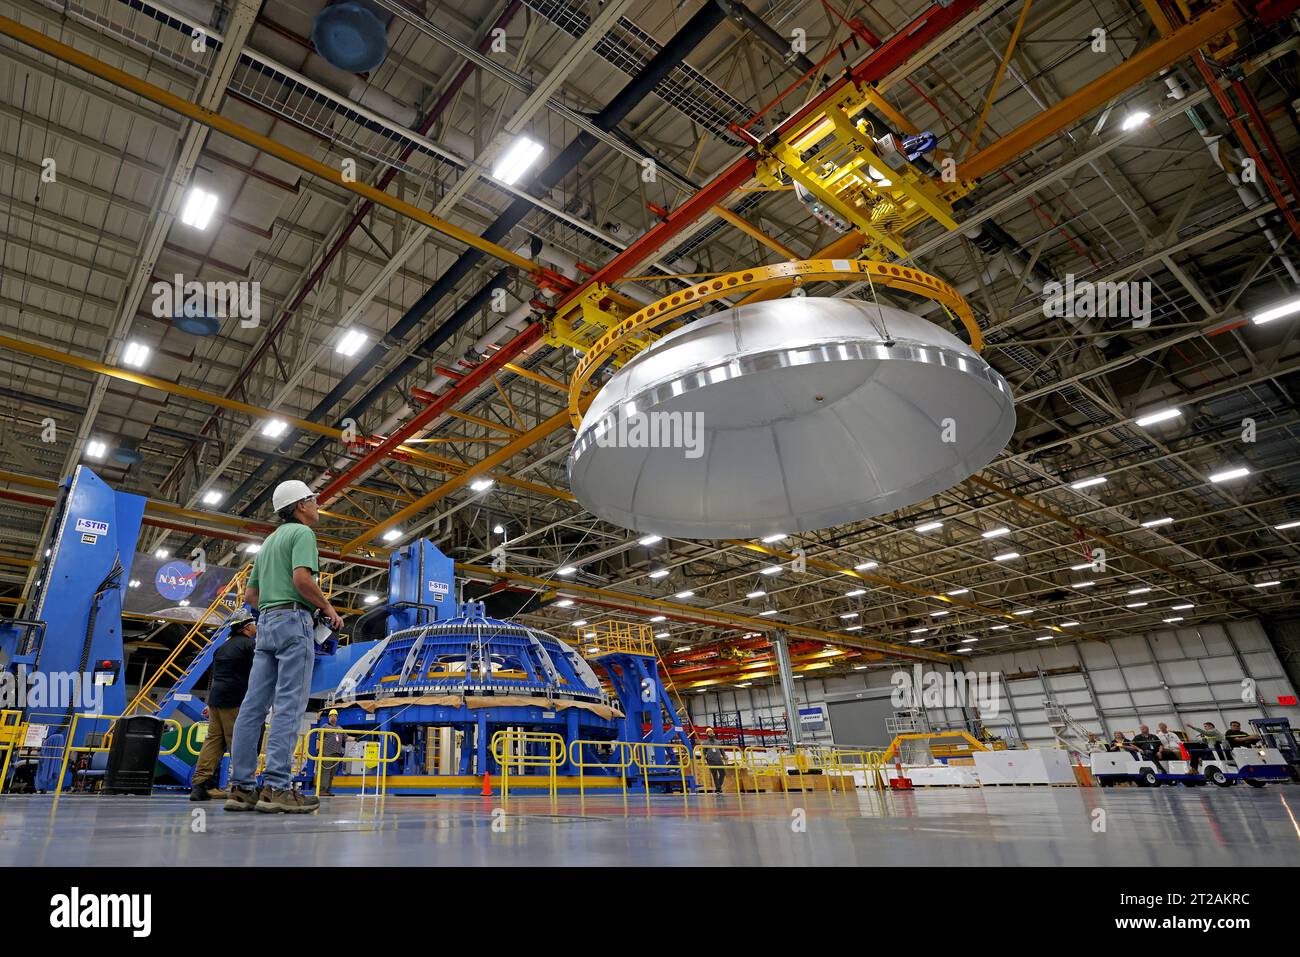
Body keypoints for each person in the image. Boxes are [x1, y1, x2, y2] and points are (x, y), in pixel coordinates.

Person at [224, 480, 344, 815]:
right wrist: (328, 609)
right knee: (289, 704)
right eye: (313, 498)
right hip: (294, 623)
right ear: (300, 506)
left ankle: (242, 787)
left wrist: (273, 610)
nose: (317, 503)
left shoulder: (267, 544)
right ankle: (277, 786)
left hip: (266, 625)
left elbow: (250, 597)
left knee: (253, 707)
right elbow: (303, 580)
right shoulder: (302, 534)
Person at [190, 608, 257, 801]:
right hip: (235, 701)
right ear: (246, 627)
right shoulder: (250, 645)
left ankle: (201, 785)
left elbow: (218, 677)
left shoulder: (222, 647)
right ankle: (242, 787)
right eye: (253, 623)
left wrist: (211, 702)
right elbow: (256, 675)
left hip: (216, 701)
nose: (255, 626)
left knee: (213, 741)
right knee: (239, 742)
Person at [318, 710, 350, 796]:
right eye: (331, 716)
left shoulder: (340, 729)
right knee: (325, 772)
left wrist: (356, 739)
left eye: (335, 716)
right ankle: (322, 790)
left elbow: (346, 738)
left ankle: (328, 790)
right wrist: (318, 751)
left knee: (332, 773)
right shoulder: (324, 727)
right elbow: (318, 739)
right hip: (326, 753)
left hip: (336, 754)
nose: (333, 717)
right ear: (328, 717)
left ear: (337, 718)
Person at [701, 728, 728, 793]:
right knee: (714, 774)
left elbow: (722, 751)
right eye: (709, 732)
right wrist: (703, 761)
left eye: (712, 732)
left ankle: (718, 787)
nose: (711, 733)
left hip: (719, 760)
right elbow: (704, 753)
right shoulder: (705, 743)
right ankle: (718, 789)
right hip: (711, 761)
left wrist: (725, 757)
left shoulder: (718, 742)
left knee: (723, 773)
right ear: (707, 734)